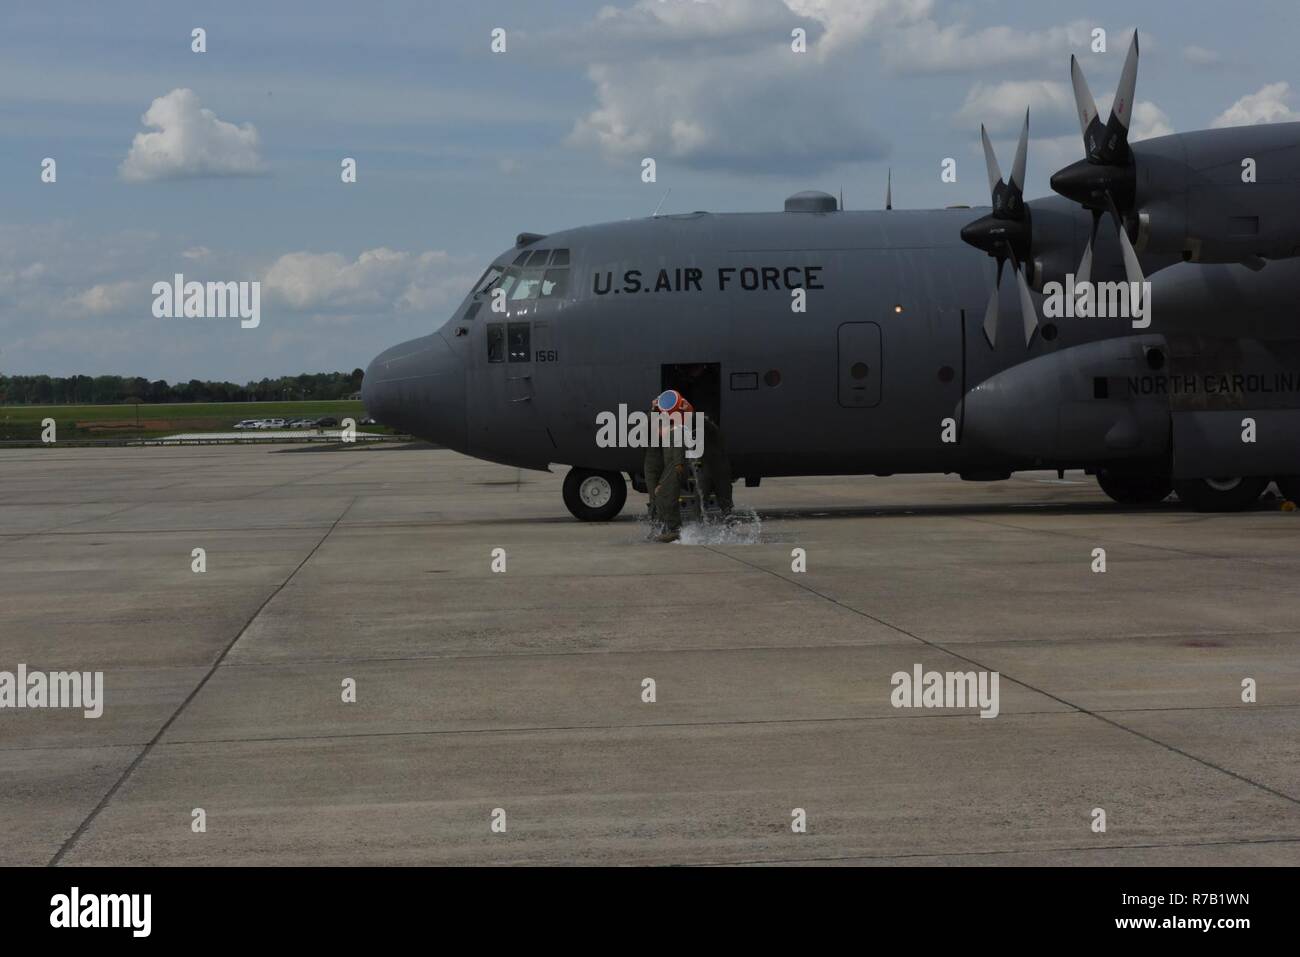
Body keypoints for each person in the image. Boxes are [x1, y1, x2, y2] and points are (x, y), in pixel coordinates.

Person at [643, 390, 692, 543]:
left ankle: (671, 529)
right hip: (653, 467)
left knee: (666, 495)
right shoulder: (656, 422)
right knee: (655, 497)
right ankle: (658, 526)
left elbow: (684, 431)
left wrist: (688, 411)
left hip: (667, 466)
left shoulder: (674, 427)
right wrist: (653, 409)